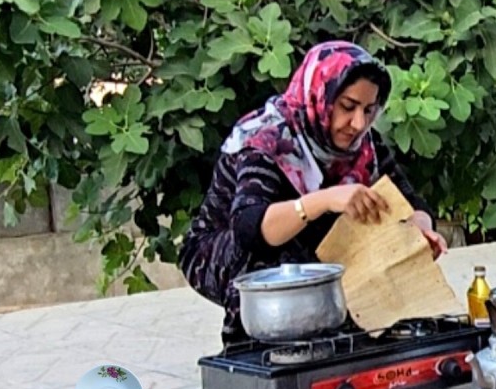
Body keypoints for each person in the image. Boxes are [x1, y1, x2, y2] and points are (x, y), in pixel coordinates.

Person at [179, 40, 447, 345]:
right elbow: (248, 228)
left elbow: (410, 201)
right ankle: (248, 349)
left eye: (368, 110)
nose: (358, 123)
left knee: (368, 237)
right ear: (321, 96)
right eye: (347, 107)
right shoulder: (267, 139)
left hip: (303, 242)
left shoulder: (364, 144)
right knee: (284, 263)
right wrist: (325, 200)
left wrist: (421, 231)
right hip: (223, 248)